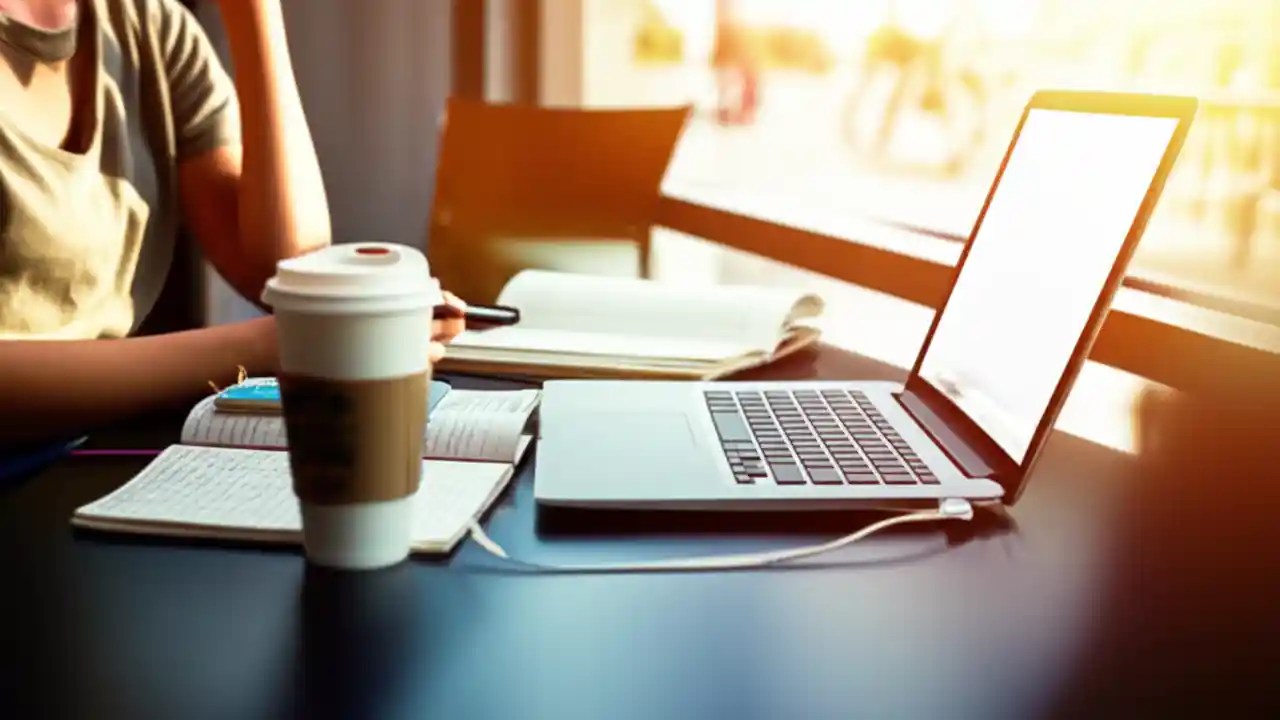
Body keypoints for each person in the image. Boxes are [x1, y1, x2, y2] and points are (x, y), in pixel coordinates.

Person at [0, 0, 465, 449]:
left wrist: (257, 16)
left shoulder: (148, 26)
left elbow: (287, 267)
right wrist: (283, 343)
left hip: (87, 455)